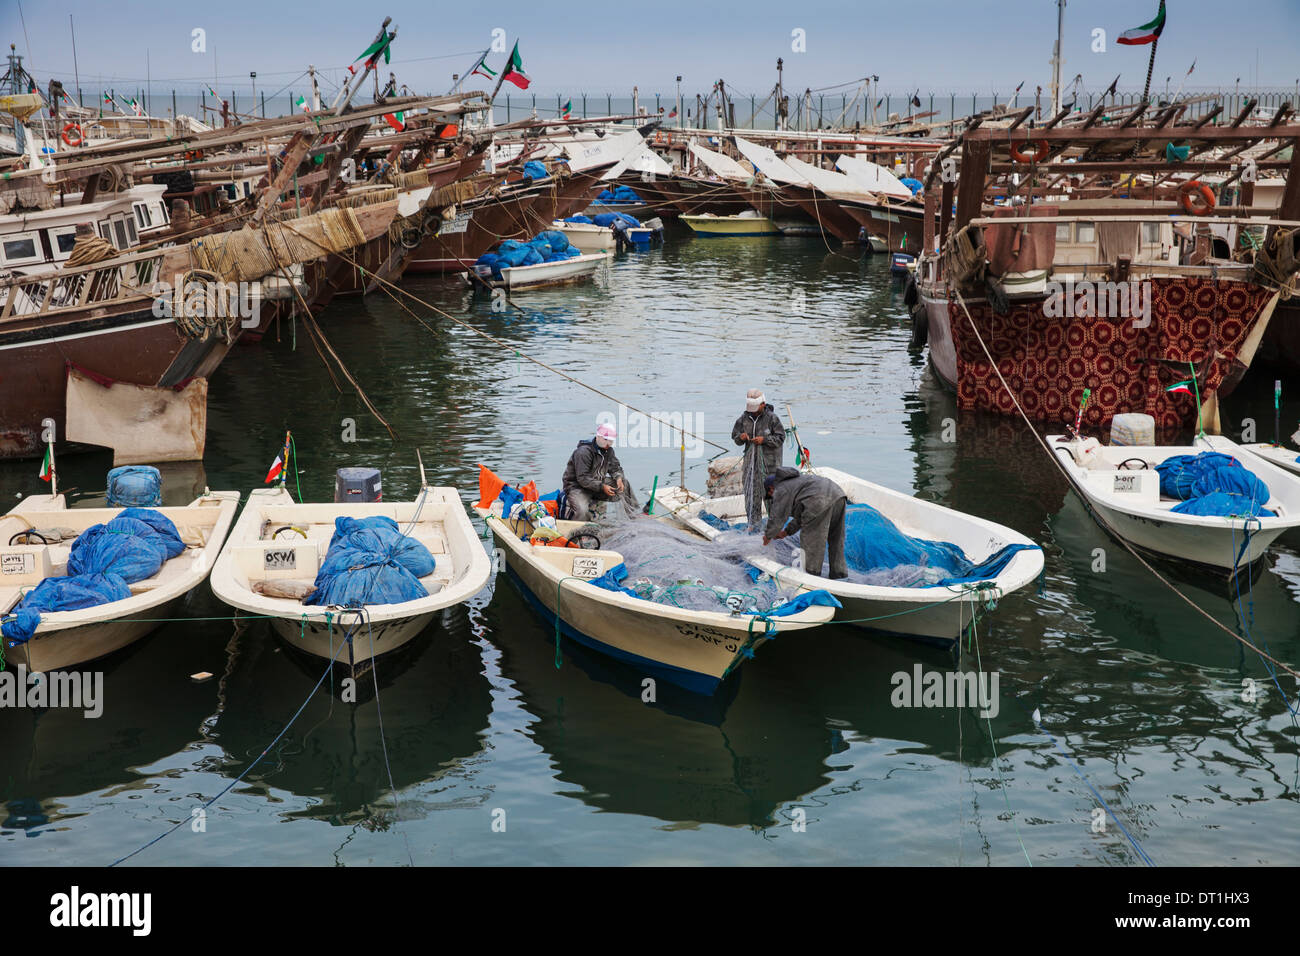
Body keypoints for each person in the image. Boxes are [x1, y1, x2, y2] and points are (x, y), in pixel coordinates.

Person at [762, 467, 848, 579]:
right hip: (839, 495)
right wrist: (786, 532)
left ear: (771, 488)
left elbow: (777, 517)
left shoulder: (780, 489)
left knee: (812, 541)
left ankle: (811, 577)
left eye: (771, 494)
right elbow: (803, 515)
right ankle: (840, 576)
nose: (773, 497)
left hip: (819, 500)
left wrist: (768, 536)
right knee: (836, 539)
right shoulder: (798, 483)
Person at [731, 389, 785, 532]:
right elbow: (735, 436)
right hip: (751, 466)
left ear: (763, 404)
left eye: (756, 409)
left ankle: (775, 529)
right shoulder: (744, 418)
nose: (753, 412)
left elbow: (780, 438)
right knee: (751, 496)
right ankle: (754, 527)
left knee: (771, 497)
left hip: (770, 467)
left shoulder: (772, 419)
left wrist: (765, 440)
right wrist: (741, 437)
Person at [561, 423, 639, 521]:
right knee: (582, 510)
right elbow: (583, 478)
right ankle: (579, 532)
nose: (608, 443)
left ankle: (635, 516)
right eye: (605, 440)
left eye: (611, 440)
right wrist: (602, 487)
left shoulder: (608, 451)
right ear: (598, 437)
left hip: (598, 484)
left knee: (625, 484)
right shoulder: (583, 452)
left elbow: (615, 468)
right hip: (578, 487)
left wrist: (619, 478)